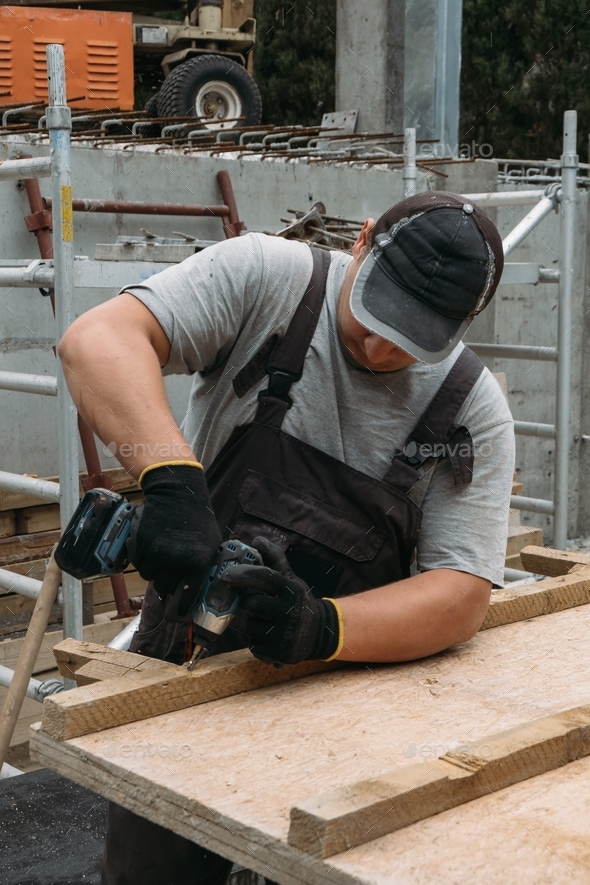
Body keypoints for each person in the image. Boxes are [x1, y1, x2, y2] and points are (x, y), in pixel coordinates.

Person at [58, 190, 515, 885]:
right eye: (376, 311)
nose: (381, 344)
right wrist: (173, 479)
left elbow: (460, 593)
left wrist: (319, 625)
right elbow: (96, 340)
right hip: (183, 677)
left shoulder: (468, 405)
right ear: (362, 241)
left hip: (343, 700)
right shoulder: (269, 280)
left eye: (414, 335)